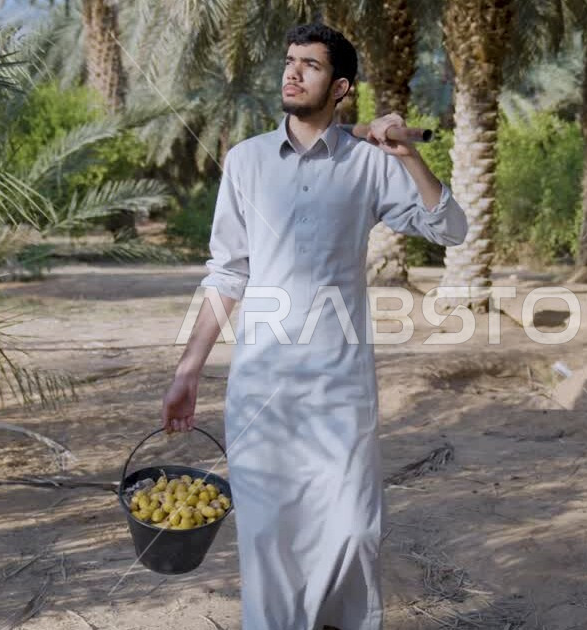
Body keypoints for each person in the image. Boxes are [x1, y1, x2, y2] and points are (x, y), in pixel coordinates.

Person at [161, 23, 468, 630]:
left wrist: (408, 154)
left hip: (340, 386)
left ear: (342, 87)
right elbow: (227, 274)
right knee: (270, 540)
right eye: (289, 61)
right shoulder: (245, 161)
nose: (293, 73)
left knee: (352, 530)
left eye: (311, 65)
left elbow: (450, 229)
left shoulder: (369, 163)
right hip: (261, 385)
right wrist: (188, 370)